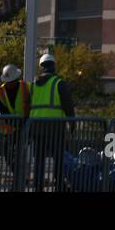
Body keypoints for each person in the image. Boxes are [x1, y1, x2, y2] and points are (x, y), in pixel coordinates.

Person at [29, 51, 75, 191]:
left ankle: (38, 187)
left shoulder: (32, 85)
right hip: (55, 128)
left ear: (41, 67)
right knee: (58, 159)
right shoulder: (58, 83)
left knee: (39, 160)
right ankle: (59, 185)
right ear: (53, 66)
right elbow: (68, 105)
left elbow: (27, 106)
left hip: (37, 129)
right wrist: (72, 124)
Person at [0, 64, 29, 185]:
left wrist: (25, 124)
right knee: (8, 156)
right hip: (9, 129)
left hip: (25, 127)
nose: (9, 84)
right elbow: (4, 112)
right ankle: (20, 176)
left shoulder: (26, 87)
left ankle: (20, 180)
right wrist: (18, 124)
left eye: (12, 81)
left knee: (20, 155)